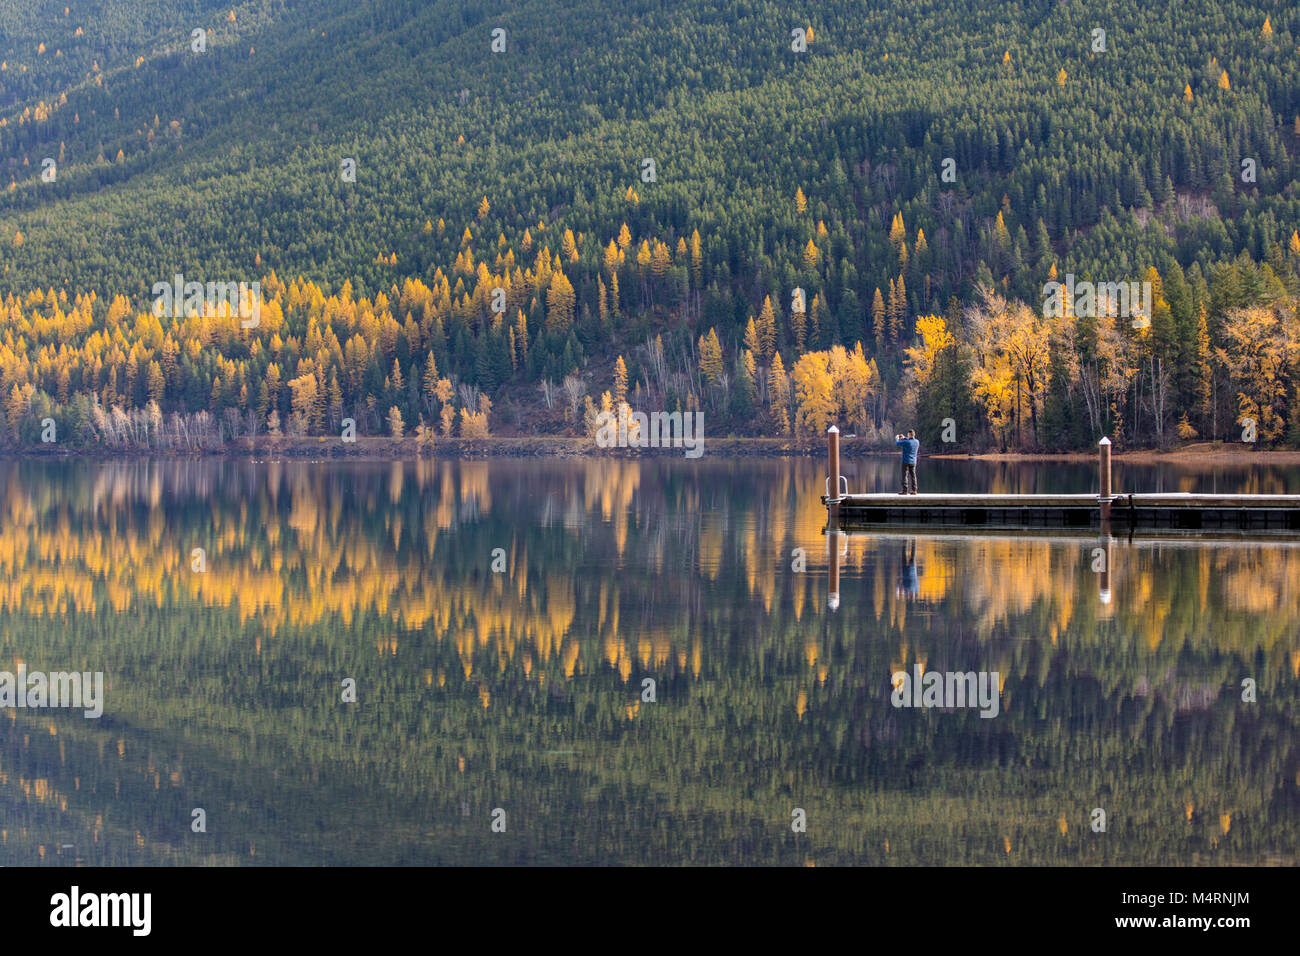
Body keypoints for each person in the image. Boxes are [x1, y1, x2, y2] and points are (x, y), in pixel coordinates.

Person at [894, 429, 919, 494]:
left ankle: (905, 491)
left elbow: (897, 443)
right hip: (913, 461)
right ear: (914, 435)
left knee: (904, 476)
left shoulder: (907, 442)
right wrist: (904, 437)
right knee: (913, 476)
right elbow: (909, 440)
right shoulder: (917, 442)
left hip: (905, 461)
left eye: (908, 435)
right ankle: (914, 490)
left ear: (909, 435)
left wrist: (896, 438)